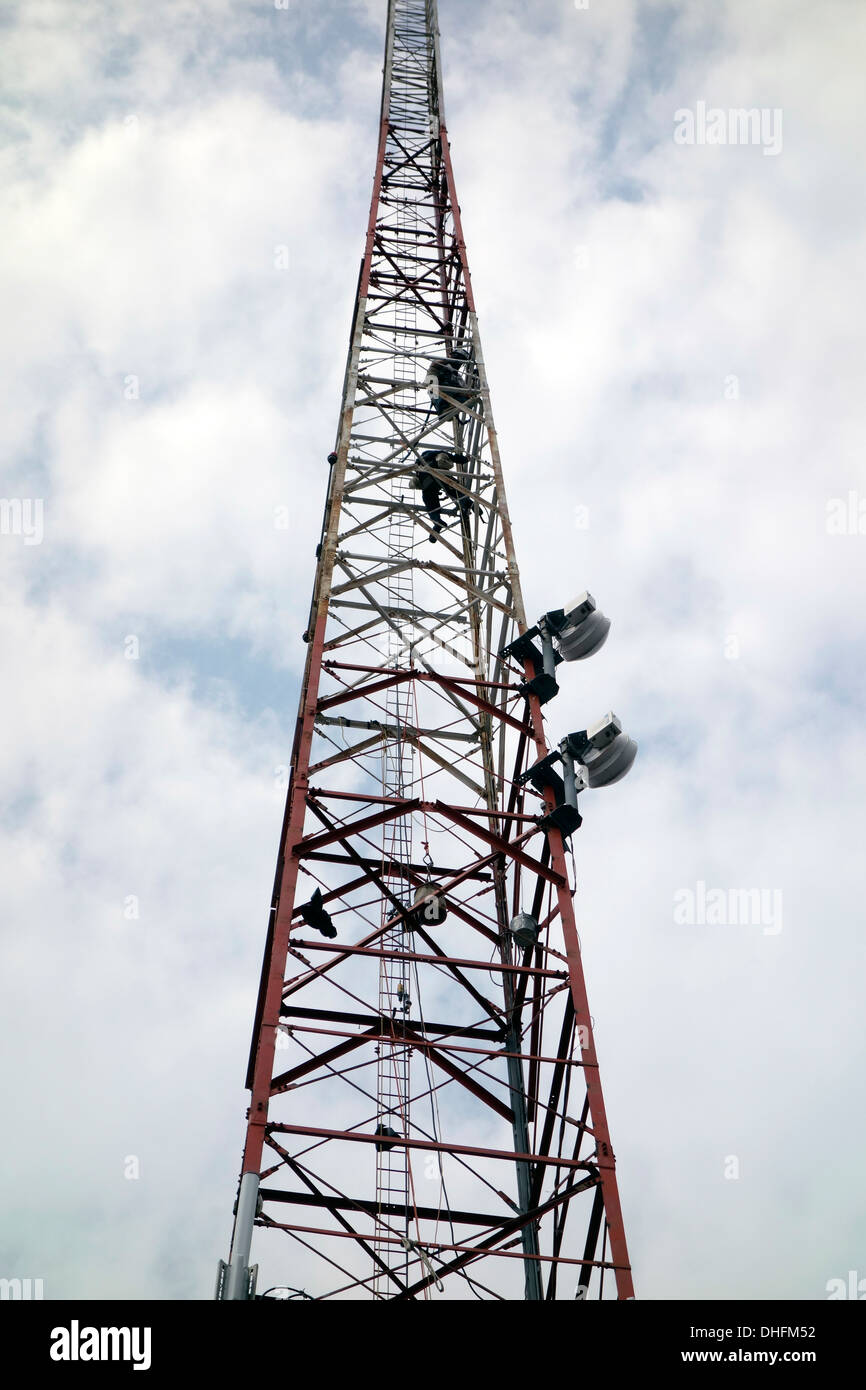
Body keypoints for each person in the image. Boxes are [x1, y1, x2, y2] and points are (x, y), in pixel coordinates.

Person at [414, 450, 471, 541]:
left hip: (427, 483)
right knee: (453, 490)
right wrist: (465, 459)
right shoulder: (435, 454)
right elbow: (453, 458)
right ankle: (469, 503)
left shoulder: (418, 462)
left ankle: (437, 522)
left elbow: (417, 477)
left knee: (431, 504)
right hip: (441, 475)